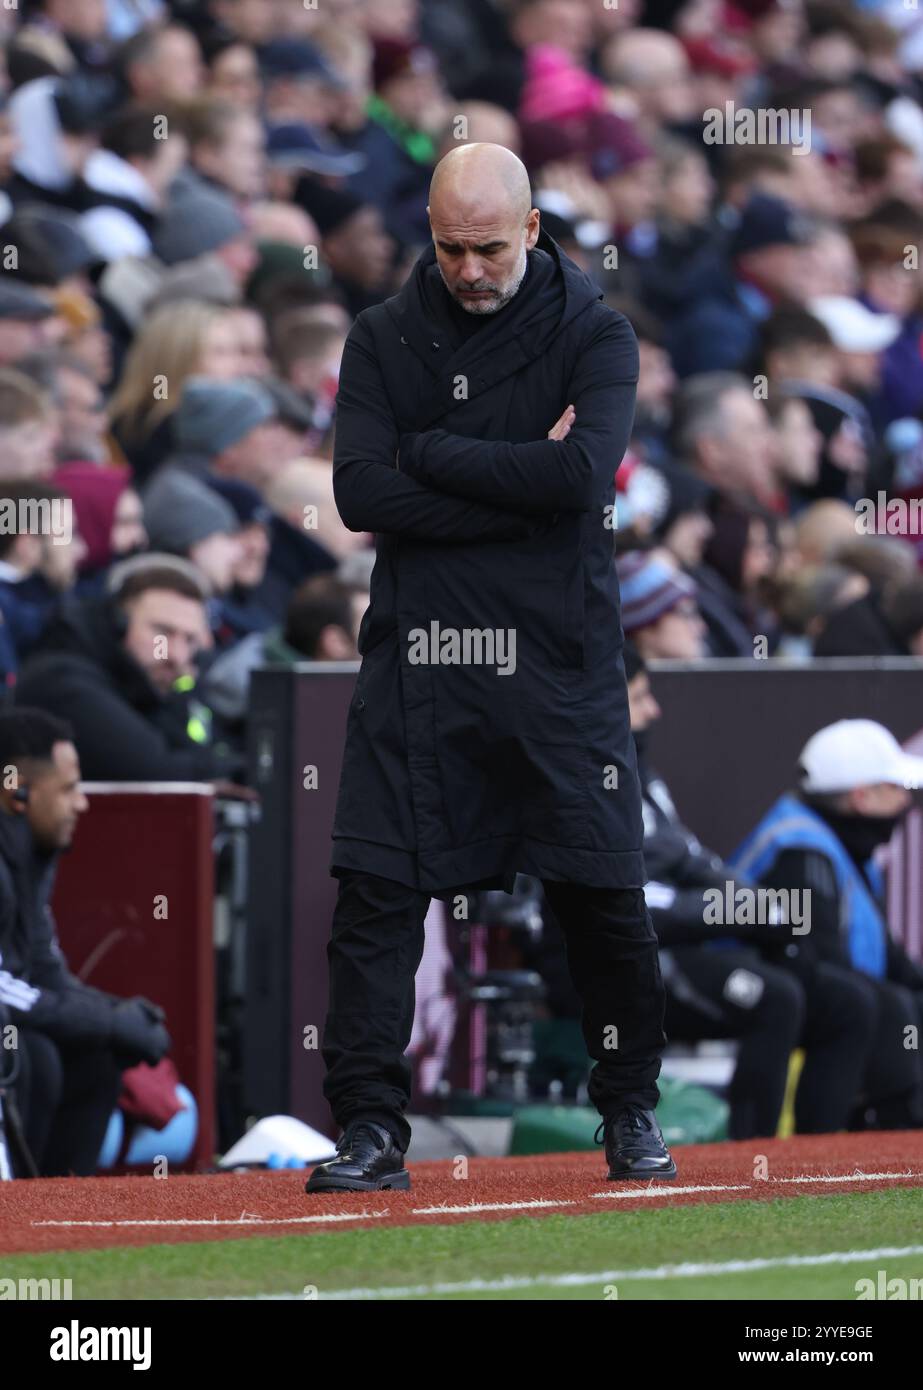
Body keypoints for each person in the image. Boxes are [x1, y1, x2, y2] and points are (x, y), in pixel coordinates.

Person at [306, 141, 675, 1194]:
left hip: (557, 659)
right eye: (448, 247)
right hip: (419, 657)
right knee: (374, 888)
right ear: (429, 233)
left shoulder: (594, 332)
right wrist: (512, 479)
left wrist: (427, 451)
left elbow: (575, 475)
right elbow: (358, 498)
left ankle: (628, 1109)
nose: (467, 269)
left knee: (601, 889)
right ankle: (373, 1127)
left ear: (529, 231)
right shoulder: (383, 334)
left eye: (486, 248)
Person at [625, 644, 874, 1138]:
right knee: (774, 998)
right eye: (638, 698)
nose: (654, 710)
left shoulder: (644, 776)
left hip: (685, 938)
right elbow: (628, 899)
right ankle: (747, 1160)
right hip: (632, 953)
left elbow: (693, 859)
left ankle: (821, 1158)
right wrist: (734, 911)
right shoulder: (591, 783)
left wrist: (756, 905)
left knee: (848, 1001)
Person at [0, 707, 171, 1177]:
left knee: (97, 1053)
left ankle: (57, 1213)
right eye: (69, 789)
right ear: (18, 794)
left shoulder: (30, 858)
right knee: (34, 1055)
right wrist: (106, 1020)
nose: (82, 804)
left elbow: (42, 969)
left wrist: (118, 1015)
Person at [731, 720, 923, 1129]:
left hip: (817, 991)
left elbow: (893, 962)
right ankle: (856, 1148)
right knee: (878, 1004)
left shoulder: (845, 851)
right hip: (753, 989)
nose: (907, 802)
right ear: (860, 797)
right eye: (896, 789)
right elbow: (818, 962)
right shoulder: (801, 850)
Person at [15, 555, 244, 784]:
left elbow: (198, 751)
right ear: (118, 622)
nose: (176, 655)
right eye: (163, 632)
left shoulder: (147, 686)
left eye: (189, 640)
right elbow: (155, 770)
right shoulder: (63, 680)